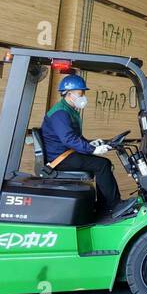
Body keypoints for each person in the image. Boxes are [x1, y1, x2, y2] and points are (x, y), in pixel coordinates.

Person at [41, 74, 120, 208]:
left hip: (66, 153)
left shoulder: (69, 110)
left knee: (103, 163)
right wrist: (92, 150)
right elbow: (68, 139)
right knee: (102, 165)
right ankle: (112, 206)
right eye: (80, 93)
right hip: (60, 158)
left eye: (83, 93)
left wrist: (90, 143)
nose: (83, 96)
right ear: (69, 93)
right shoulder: (60, 113)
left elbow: (74, 136)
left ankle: (105, 205)